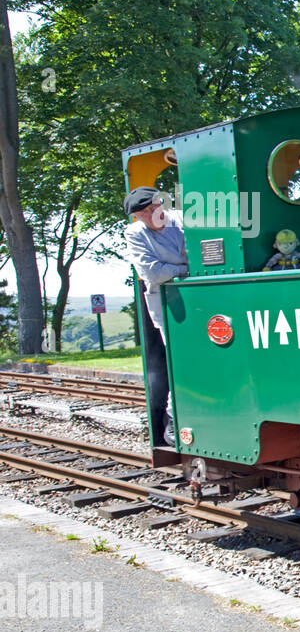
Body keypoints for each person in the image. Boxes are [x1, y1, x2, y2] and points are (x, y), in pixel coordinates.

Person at [123, 186, 188, 444]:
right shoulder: (135, 234)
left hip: (202, 300)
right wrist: (186, 268)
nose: (151, 216)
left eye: (153, 209)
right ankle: (172, 419)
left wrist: (175, 270)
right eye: (144, 214)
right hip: (167, 305)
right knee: (177, 360)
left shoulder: (182, 220)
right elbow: (152, 272)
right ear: (137, 217)